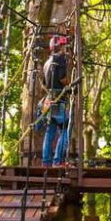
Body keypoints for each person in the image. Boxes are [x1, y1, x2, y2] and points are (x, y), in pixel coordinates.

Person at [40, 34, 71, 167]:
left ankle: (46, 162)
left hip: (49, 99)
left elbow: (45, 82)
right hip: (58, 98)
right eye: (64, 46)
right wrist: (70, 86)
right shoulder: (61, 58)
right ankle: (58, 160)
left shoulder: (47, 63)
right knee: (66, 128)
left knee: (50, 130)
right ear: (60, 46)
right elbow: (62, 78)